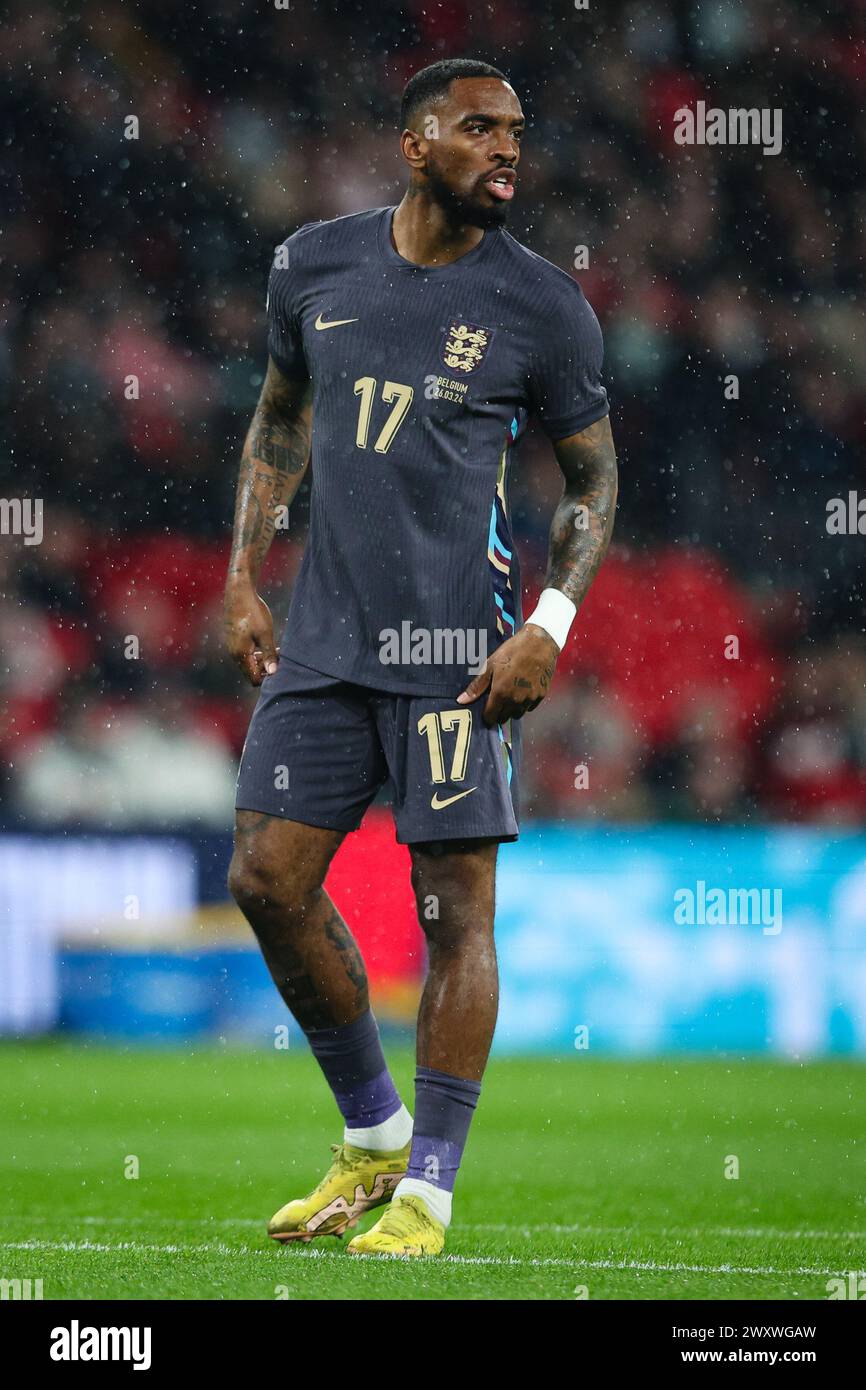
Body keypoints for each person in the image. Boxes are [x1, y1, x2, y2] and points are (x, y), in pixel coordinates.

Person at [224, 58, 617, 1257]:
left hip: (457, 650)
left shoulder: (543, 305)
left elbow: (594, 480)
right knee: (264, 879)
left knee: (452, 911)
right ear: (415, 143)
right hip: (325, 642)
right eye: (480, 130)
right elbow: (282, 414)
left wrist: (543, 627)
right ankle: (373, 1134)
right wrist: (244, 568)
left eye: (517, 133)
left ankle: (428, 1197)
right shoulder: (311, 264)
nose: (508, 150)